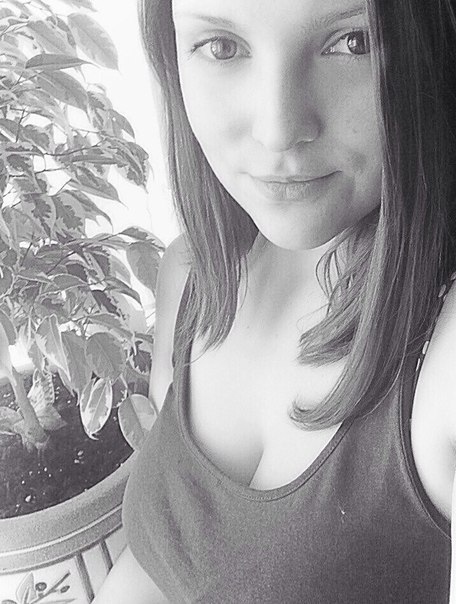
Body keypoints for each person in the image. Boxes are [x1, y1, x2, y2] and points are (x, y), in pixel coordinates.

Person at [93, 0, 456, 601]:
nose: (278, 129)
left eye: (355, 43)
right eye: (221, 46)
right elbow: (164, 563)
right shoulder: (192, 274)